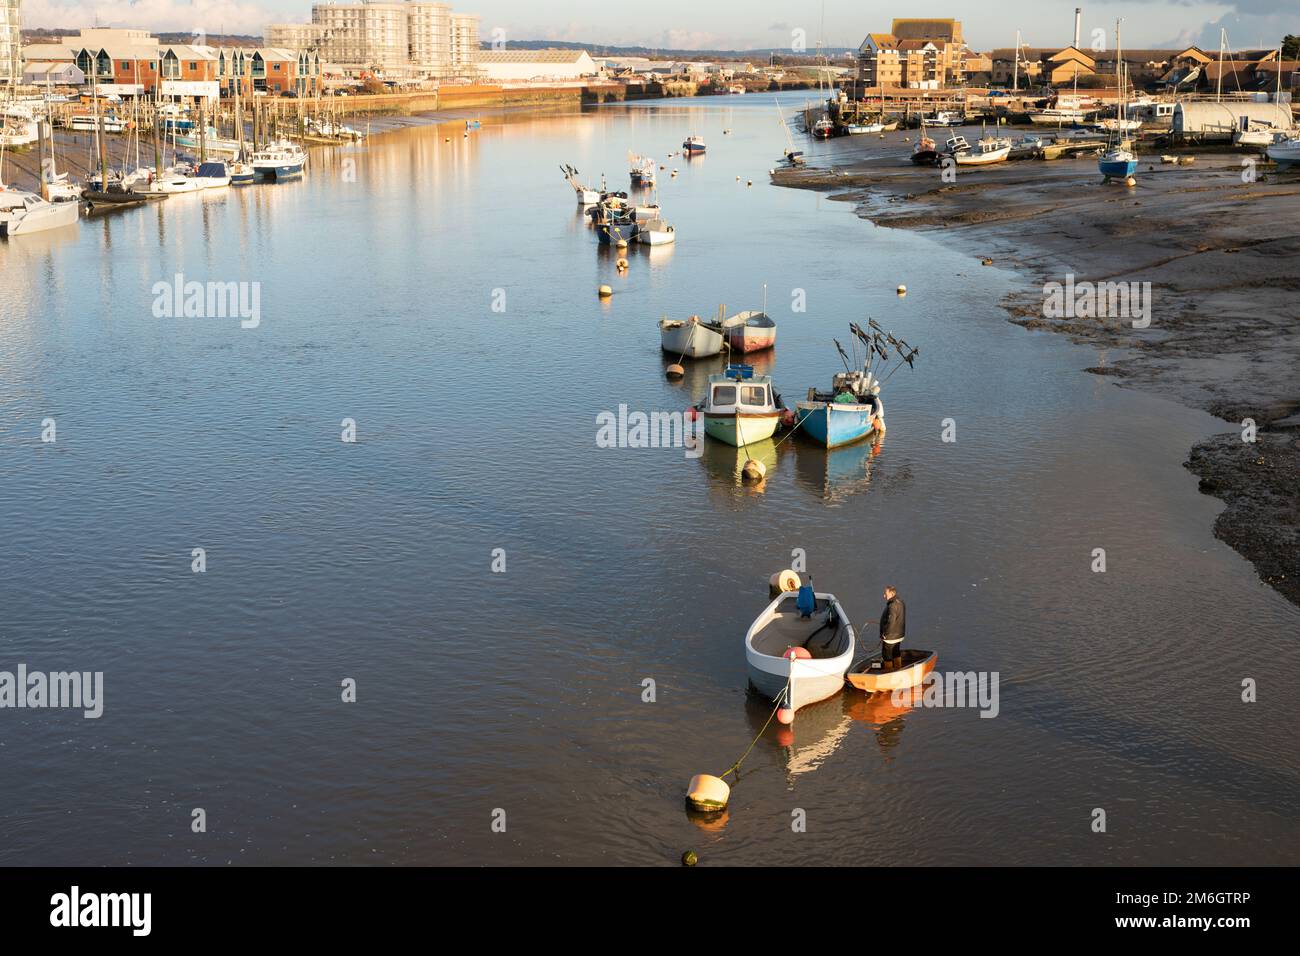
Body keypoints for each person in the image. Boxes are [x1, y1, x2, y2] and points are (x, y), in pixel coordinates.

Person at [878, 585, 905, 669]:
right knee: (896, 652)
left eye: (886, 593)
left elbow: (891, 622)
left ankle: (888, 672)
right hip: (899, 635)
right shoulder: (901, 602)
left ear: (892, 593)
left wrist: (885, 634)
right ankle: (898, 668)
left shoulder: (892, 606)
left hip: (890, 637)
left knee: (887, 655)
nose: (884, 595)